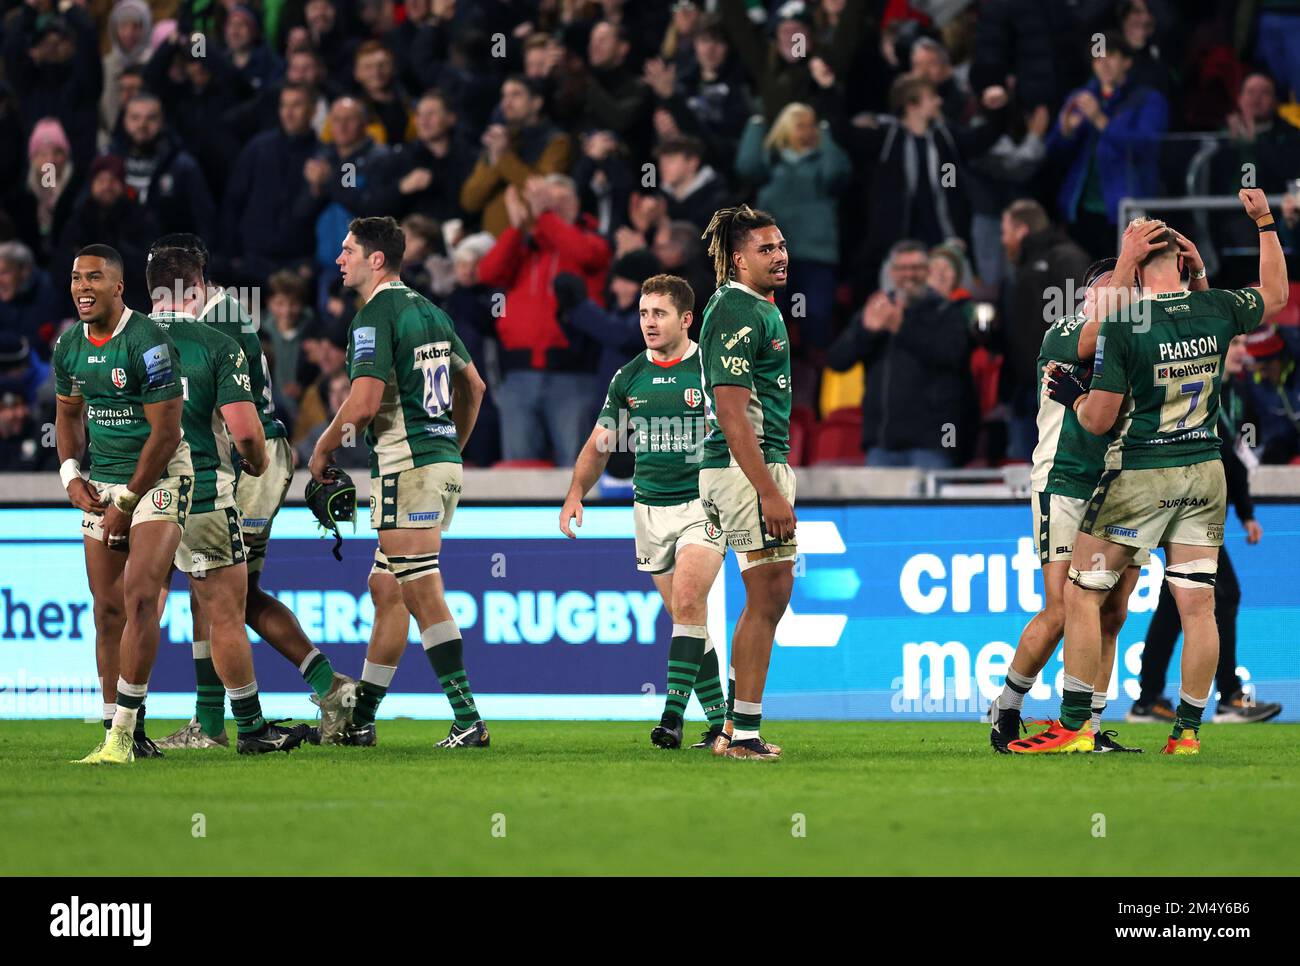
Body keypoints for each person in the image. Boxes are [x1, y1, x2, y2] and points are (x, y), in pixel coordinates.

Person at [1020, 190, 1289, 755]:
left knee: (1083, 592)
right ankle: (1187, 733)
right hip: (1205, 472)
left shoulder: (1126, 325)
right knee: (1198, 604)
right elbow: (1277, 294)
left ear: (1136, 270)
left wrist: (1072, 397)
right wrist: (1264, 222)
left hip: (1143, 471)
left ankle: (1074, 726)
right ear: (1184, 262)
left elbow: (1096, 422)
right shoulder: (1216, 307)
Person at [309, 216, 490, 749]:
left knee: (419, 587)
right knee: (386, 589)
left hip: (405, 467)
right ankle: (360, 719)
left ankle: (467, 718)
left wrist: (320, 450)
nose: (339, 259)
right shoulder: (430, 311)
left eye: (347, 251)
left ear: (376, 260)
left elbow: (362, 405)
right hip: (436, 463)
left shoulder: (372, 317)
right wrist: (449, 447)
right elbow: (474, 386)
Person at [991, 233, 1167, 755]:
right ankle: (1008, 703)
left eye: (1128, 290)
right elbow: (1095, 341)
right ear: (1087, 296)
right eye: (1107, 289)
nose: (1116, 298)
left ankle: (1085, 726)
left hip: (1120, 486)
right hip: (1064, 481)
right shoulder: (1064, 332)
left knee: (1112, 611)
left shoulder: (1140, 344)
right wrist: (1131, 260)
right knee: (1068, 607)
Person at [144, 247, 311, 754]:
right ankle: (251, 728)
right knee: (226, 608)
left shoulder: (123, 343)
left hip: (139, 499)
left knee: (133, 609)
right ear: (197, 289)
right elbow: (245, 432)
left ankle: (125, 723)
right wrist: (259, 464)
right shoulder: (216, 341)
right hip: (204, 495)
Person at [560, 273, 728, 750]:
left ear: (686, 319)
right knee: (686, 619)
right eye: (642, 313)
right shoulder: (629, 375)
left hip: (703, 503)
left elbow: (743, 427)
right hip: (649, 509)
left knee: (691, 602)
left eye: (659, 313)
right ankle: (720, 722)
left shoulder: (710, 370)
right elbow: (601, 443)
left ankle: (670, 718)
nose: (648, 323)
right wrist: (576, 492)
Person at [53, 244, 193, 764]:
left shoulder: (149, 344)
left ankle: (125, 735)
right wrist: (71, 476)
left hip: (159, 479)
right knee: (108, 610)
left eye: (94, 278)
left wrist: (128, 500)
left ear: (118, 287)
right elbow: (67, 416)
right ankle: (116, 724)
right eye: (75, 278)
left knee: (139, 597)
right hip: (105, 481)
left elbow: (167, 432)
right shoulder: (69, 346)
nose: (82, 288)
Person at [1130, 334, 1284, 725]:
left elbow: (1233, 458)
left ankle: (1147, 699)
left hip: (1200, 507)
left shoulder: (1237, 394)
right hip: (1178, 502)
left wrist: (1246, 513)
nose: (1243, 353)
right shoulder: (1198, 391)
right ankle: (1228, 696)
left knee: (1174, 602)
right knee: (1225, 593)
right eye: (1235, 345)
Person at [696, 205, 795, 761]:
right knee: (768, 593)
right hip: (745, 468)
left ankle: (736, 729)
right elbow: (731, 411)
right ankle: (743, 734)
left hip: (749, 466)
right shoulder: (737, 307)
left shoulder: (755, 307)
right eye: (766, 249)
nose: (779, 256)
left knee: (769, 593)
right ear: (738, 260)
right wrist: (767, 489)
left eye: (781, 246)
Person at [476, 175, 611, 465]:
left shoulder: (593, 239)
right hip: (519, 375)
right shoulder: (527, 245)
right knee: (520, 477)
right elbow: (488, 273)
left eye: (560, 201)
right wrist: (516, 227)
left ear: (576, 203)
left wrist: (546, 216)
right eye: (546, 203)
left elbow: (585, 254)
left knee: (576, 471)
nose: (551, 209)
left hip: (573, 376)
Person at [826, 240, 972, 469]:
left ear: (928, 271)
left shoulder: (946, 311)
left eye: (916, 268)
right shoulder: (878, 309)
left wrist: (901, 329)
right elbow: (837, 361)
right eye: (902, 268)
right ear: (892, 272)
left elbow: (952, 356)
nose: (909, 275)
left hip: (931, 445)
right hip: (882, 445)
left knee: (929, 507)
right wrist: (866, 331)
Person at [735, 103, 850, 350]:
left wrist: (826, 131)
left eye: (812, 125)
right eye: (801, 125)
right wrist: (757, 122)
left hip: (815, 257)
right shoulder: (770, 162)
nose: (808, 131)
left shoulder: (823, 161)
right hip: (773, 257)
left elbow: (837, 173)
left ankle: (816, 380)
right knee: (771, 324)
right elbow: (746, 166)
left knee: (816, 320)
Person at [1046, 31, 1169, 258]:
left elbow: (1147, 146)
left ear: (1127, 62)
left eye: (1110, 55)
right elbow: (1054, 154)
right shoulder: (1081, 97)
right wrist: (1066, 131)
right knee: (1086, 283)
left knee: (1127, 283)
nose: (1103, 63)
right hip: (1080, 209)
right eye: (1097, 57)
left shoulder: (1148, 99)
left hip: (1125, 210)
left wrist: (1101, 120)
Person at [999, 199, 1092, 460]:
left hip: (1057, 387)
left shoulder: (1065, 258)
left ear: (1021, 230)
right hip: (1025, 387)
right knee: (1023, 471)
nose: (1003, 240)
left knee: (1052, 464)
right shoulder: (1021, 269)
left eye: (1004, 232)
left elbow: (1081, 319)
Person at [459, 76, 572, 237]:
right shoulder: (499, 140)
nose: (507, 102)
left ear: (537, 102)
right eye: (504, 96)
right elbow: (469, 200)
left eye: (516, 95)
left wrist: (504, 157)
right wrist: (496, 158)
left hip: (533, 241)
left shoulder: (556, 142)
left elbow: (542, 192)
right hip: (492, 243)